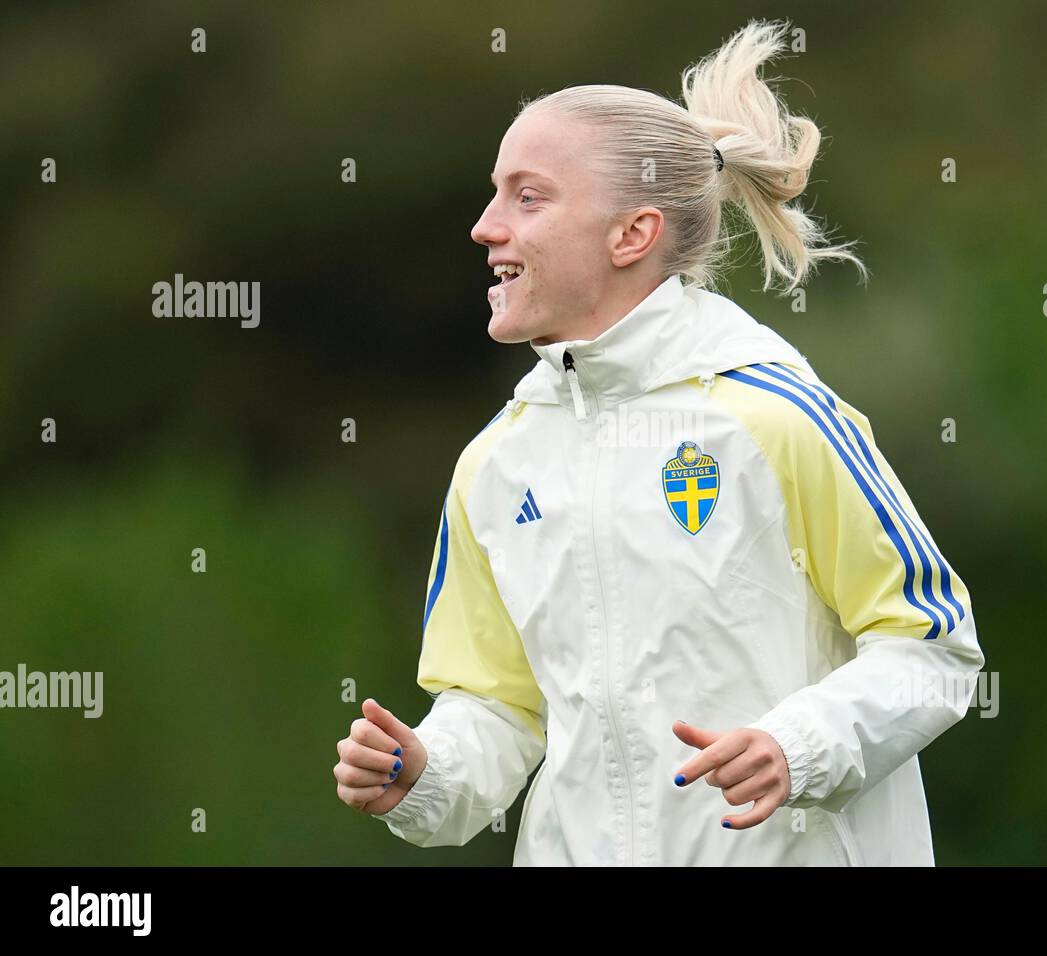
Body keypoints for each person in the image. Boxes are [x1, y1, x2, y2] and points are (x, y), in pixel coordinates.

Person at [333, 17, 984, 866]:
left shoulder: (776, 416)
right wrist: (428, 773)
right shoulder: (498, 461)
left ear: (631, 234)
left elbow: (933, 648)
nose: (485, 227)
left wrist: (798, 744)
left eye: (527, 198)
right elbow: (498, 706)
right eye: (495, 194)